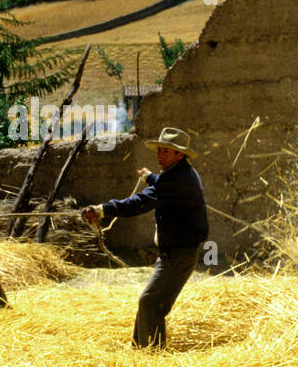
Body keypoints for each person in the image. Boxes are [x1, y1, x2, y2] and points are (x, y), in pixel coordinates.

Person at [82, 128, 208, 349]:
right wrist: (150, 177)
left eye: (166, 151)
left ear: (180, 155)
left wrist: (102, 210)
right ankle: (142, 350)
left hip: (179, 254)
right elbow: (161, 184)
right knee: (151, 302)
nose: (160, 155)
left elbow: (138, 203)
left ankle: (150, 355)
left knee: (150, 302)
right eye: (159, 150)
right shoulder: (181, 173)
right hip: (175, 252)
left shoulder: (175, 181)